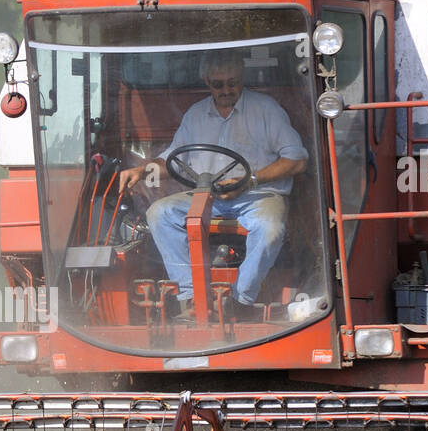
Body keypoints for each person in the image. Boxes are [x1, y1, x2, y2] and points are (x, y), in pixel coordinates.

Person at [118, 51, 308, 321]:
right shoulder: (195, 115)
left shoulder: (266, 109)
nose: (226, 90)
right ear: (207, 81)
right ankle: (191, 297)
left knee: (270, 229)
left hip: (256, 194)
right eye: (218, 84)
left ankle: (241, 300)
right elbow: (172, 161)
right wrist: (141, 170)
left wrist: (250, 180)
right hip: (207, 195)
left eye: (233, 82)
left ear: (242, 79)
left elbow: (297, 160)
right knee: (159, 213)